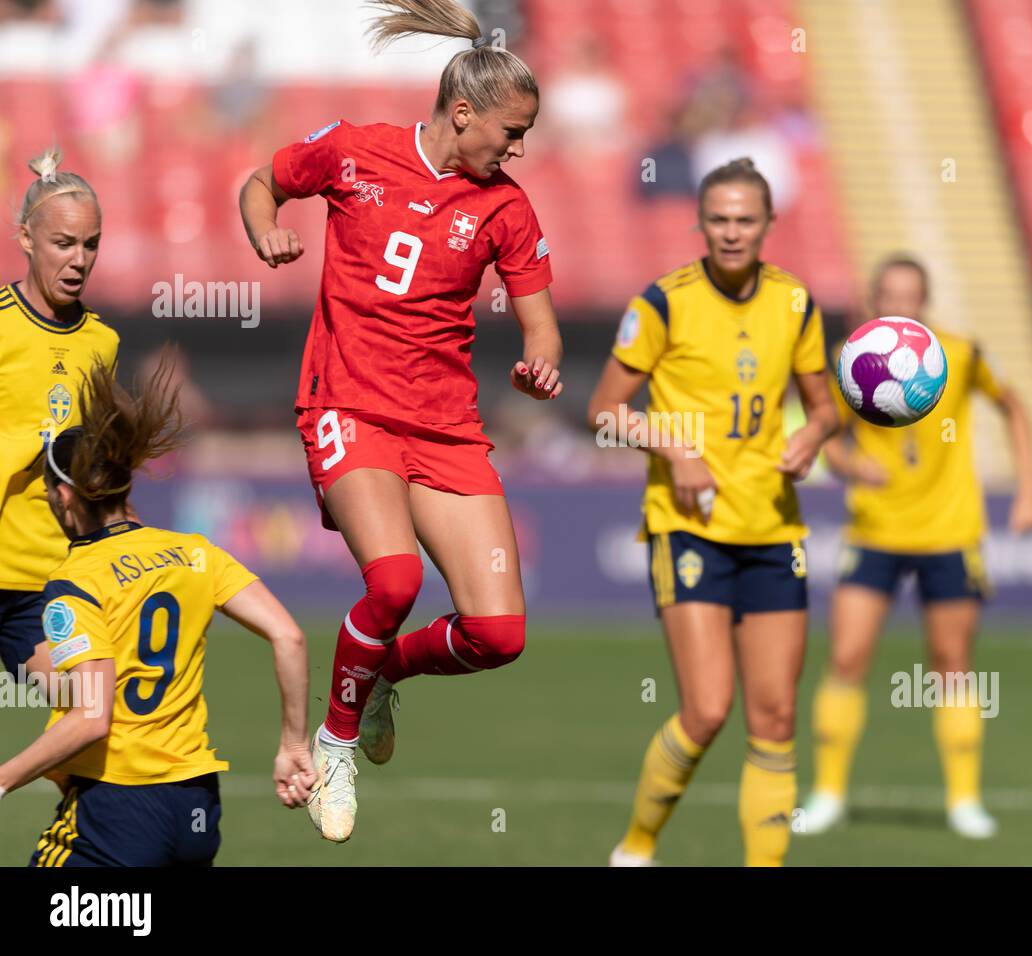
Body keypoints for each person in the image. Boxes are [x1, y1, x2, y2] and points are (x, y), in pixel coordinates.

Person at [238, 0, 563, 843]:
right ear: (464, 113)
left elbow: (541, 322)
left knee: (498, 633)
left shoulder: (508, 206)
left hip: (445, 426)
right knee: (393, 582)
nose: (519, 148)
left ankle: (380, 676)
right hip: (347, 404)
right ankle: (334, 742)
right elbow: (263, 181)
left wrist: (543, 361)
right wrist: (266, 229)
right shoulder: (355, 151)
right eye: (513, 130)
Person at [587, 158, 838, 866]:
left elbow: (824, 410)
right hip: (689, 525)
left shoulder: (796, 303)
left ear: (768, 225)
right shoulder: (663, 303)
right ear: (701, 223)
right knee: (705, 711)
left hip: (773, 528)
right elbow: (603, 412)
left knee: (777, 718)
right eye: (720, 220)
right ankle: (637, 846)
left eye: (745, 220)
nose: (732, 233)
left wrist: (813, 436)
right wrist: (673, 447)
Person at [0, 359, 315, 866]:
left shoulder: (75, 581)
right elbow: (290, 638)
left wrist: (4, 778)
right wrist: (293, 745)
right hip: (196, 806)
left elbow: (90, 717)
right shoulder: (194, 552)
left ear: (64, 496)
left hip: (117, 807)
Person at [799, 255, 1032, 839]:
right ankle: (829, 791)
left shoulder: (960, 354)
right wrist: (848, 463)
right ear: (873, 299)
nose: (901, 305)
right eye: (890, 294)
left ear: (925, 301)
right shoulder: (852, 358)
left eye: (911, 295)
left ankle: (964, 799)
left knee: (951, 666)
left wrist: (1029, 491)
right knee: (846, 658)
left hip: (949, 532)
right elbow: (825, 433)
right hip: (875, 530)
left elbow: (1013, 406)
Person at [0, 148, 119, 696]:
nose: (79, 260)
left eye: (90, 244)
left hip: (43, 586)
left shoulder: (102, 343)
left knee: (89, 716)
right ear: (26, 238)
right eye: (63, 243)